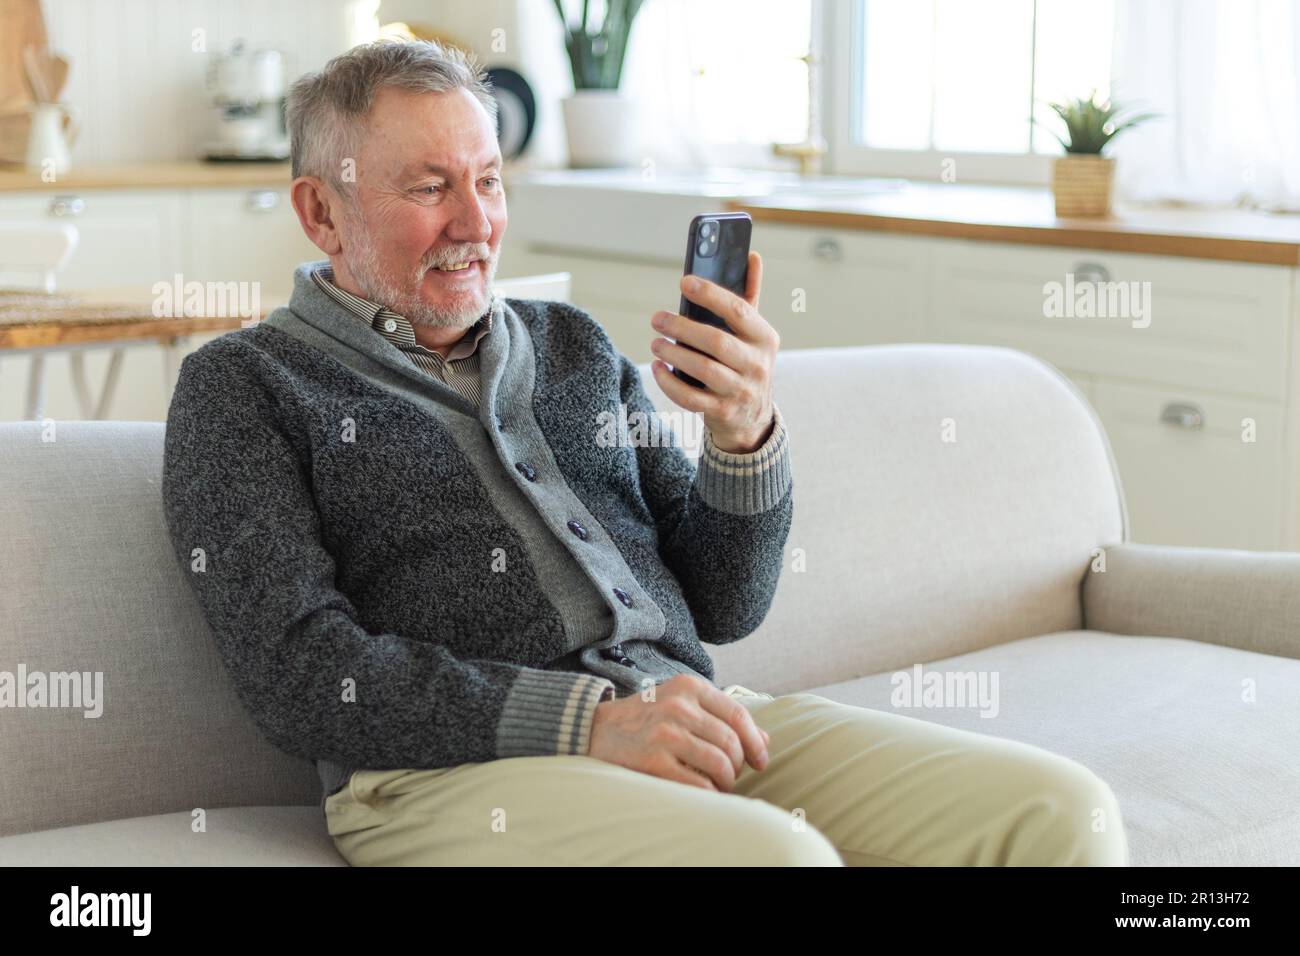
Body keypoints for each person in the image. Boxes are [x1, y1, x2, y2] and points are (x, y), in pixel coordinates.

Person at [160, 38, 1129, 866]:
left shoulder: (573, 345)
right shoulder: (243, 388)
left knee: (1061, 813)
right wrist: (586, 719)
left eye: (488, 180)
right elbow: (301, 672)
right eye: (429, 188)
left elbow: (722, 601)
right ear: (321, 212)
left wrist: (740, 434)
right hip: (450, 775)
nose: (476, 222)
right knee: (775, 857)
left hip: (689, 714)